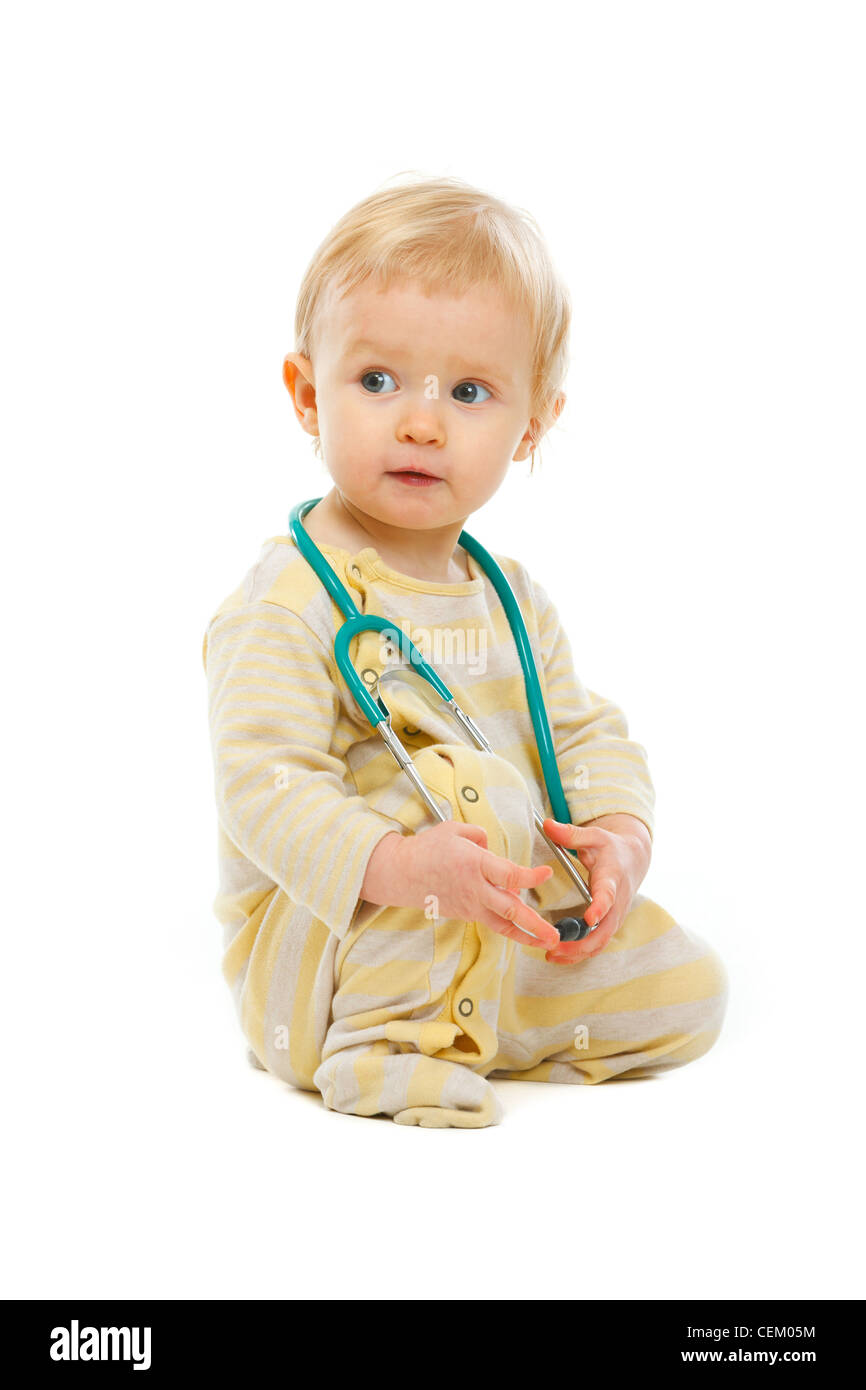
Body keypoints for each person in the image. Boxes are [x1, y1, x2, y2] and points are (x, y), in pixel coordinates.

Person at [202, 174, 728, 1128]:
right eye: (377, 380)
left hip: (484, 916)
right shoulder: (291, 600)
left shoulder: (510, 598)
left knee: (691, 993)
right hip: (329, 949)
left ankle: (487, 1013)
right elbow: (259, 784)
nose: (421, 421)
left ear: (532, 426)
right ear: (305, 392)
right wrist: (402, 865)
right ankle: (381, 1041)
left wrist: (619, 837)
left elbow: (579, 728)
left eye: (471, 392)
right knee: (457, 786)